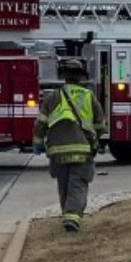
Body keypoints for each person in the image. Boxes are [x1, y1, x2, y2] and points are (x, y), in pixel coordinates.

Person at [33, 58, 107, 233]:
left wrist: (38, 143)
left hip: (58, 153)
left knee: (64, 185)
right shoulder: (89, 96)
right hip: (83, 151)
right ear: (81, 77)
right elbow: (100, 125)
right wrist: (95, 140)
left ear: (64, 76)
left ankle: (67, 215)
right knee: (78, 185)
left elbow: (40, 124)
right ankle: (72, 218)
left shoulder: (53, 97)